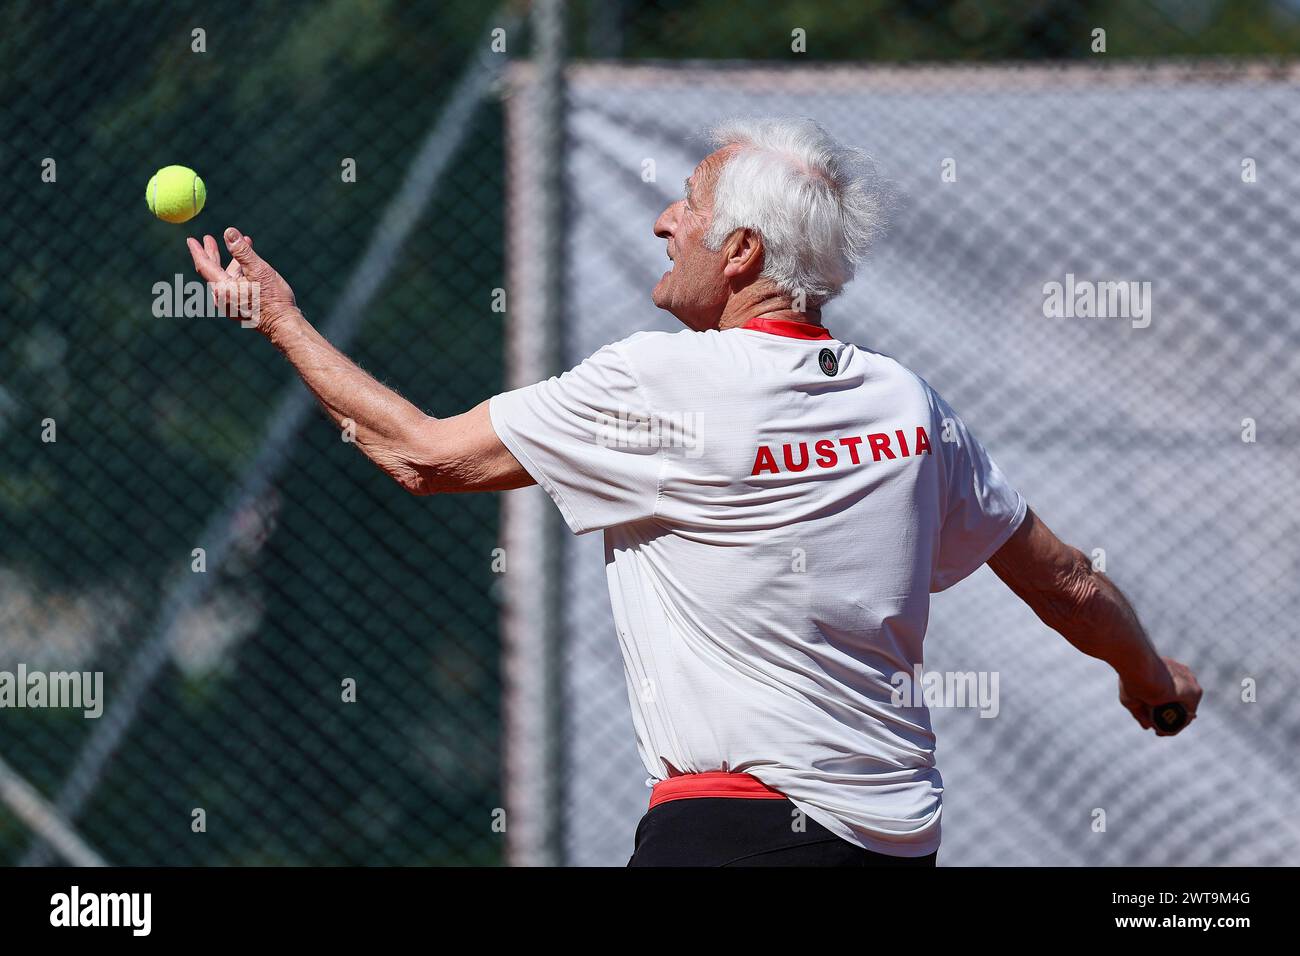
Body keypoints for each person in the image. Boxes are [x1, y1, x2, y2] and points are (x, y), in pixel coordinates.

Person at [187, 116, 1201, 868]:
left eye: (689, 206)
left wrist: (280, 322)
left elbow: (423, 456)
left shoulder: (660, 379)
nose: (666, 221)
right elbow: (1068, 581)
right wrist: (1150, 679)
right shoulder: (909, 403)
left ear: (743, 252)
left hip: (730, 829)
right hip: (898, 841)